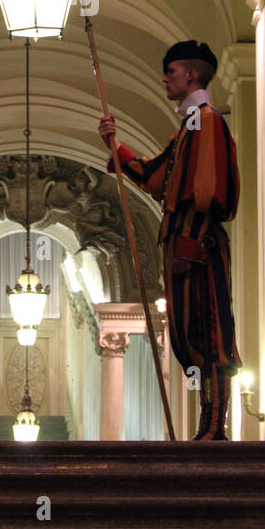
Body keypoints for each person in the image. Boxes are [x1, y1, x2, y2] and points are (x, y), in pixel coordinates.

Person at [98, 41, 241, 441]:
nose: (166, 78)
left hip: (197, 248)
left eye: (172, 71)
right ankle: (207, 423)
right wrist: (115, 145)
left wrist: (190, 245)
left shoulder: (207, 121)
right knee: (190, 338)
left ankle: (215, 426)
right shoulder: (189, 126)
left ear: (191, 75)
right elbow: (157, 176)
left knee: (211, 335)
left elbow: (208, 191)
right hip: (182, 247)